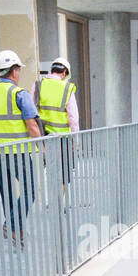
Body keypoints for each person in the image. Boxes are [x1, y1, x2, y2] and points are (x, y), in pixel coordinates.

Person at [0, 49, 42, 247]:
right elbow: (32, 125)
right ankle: (12, 226)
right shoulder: (19, 94)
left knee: (7, 194)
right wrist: (43, 147)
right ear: (14, 71)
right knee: (30, 191)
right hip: (18, 153)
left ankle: (15, 231)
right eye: (18, 70)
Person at [34, 56, 80, 200]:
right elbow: (73, 118)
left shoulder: (38, 86)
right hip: (64, 139)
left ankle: (54, 200)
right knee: (64, 172)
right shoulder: (67, 88)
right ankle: (58, 201)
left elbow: (31, 112)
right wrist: (76, 139)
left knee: (52, 171)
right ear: (65, 72)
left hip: (45, 138)